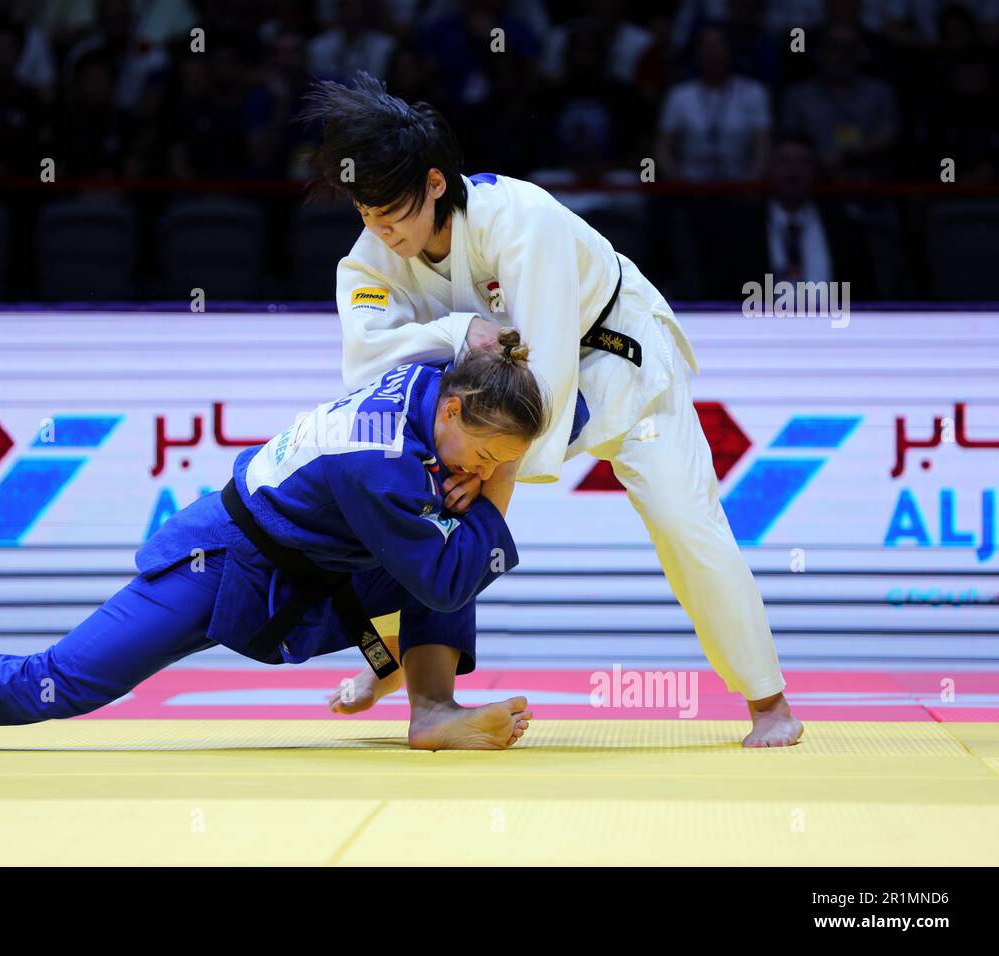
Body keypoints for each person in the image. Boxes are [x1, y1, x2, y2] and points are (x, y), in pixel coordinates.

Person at [0, 332, 549, 755]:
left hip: (318, 561)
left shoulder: (444, 372)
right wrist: (492, 495)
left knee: (451, 533)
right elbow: (443, 583)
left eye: (499, 464)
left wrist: (488, 464)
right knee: (55, 683)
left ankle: (424, 706)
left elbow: (560, 413)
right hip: (225, 561)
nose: (481, 471)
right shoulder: (378, 466)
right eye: (480, 457)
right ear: (453, 412)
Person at [301, 73, 804, 747]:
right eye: (367, 216)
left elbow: (549, 372)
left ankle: (771, 703)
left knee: (686, 525)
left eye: (393, 216)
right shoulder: (370, 257)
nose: (382, 233)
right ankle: (392, 657)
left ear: (434, 184)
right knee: (393, 487)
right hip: (496, 387)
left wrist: (487, 476)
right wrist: (453, 334)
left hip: (617, 363)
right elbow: (364, 363)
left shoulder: (521, 221)